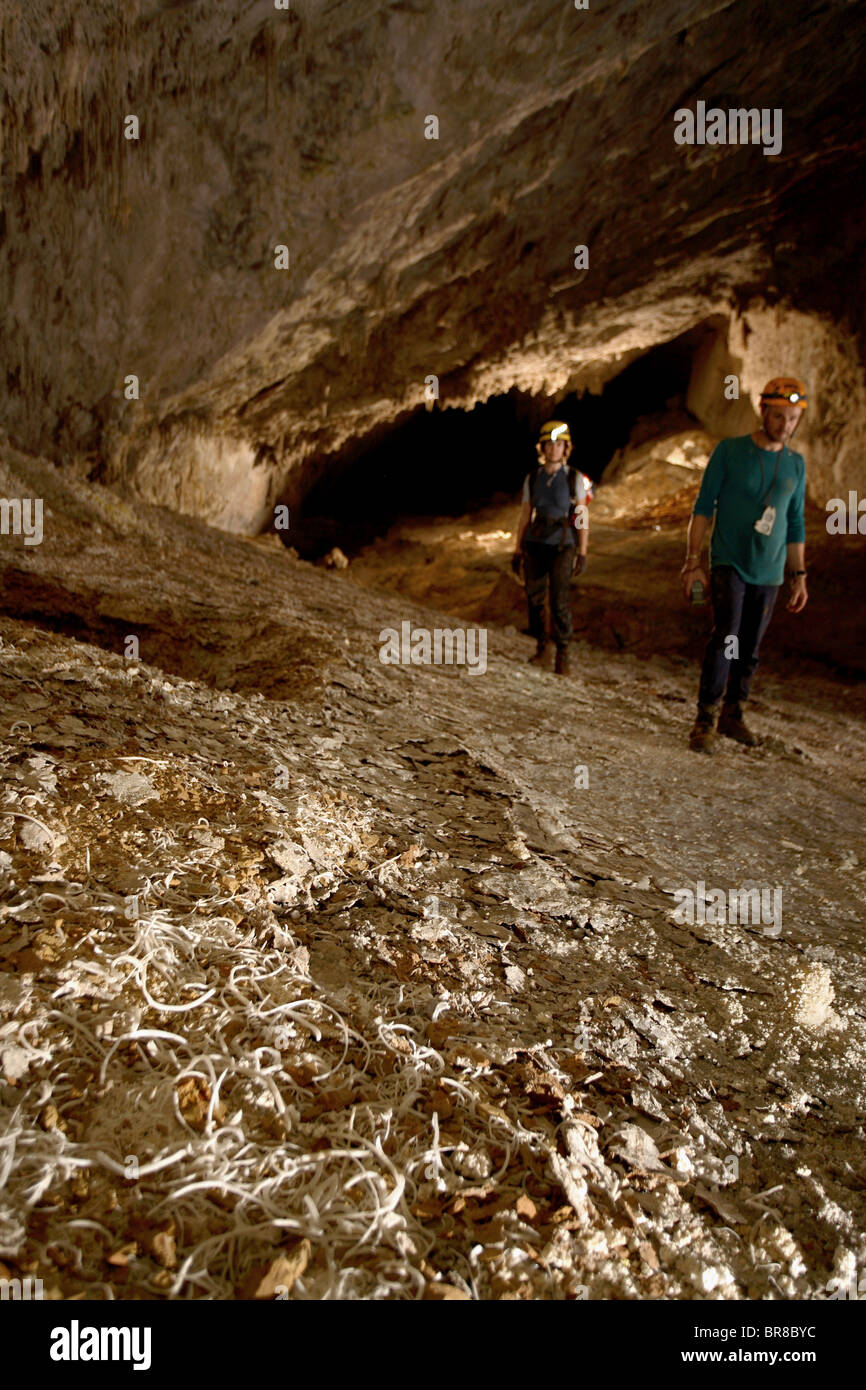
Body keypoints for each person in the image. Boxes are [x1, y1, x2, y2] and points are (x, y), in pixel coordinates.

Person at [682, 377, 809, 754]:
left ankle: (733, 714)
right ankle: (705, 718)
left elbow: (796, 522)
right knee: (727, 638)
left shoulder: (795, 465)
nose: (785, 425)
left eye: (793, 418)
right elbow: (704, 507)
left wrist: (798, 574)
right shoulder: (730, 451)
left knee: (749, 646)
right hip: (729, 561)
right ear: (762, 410)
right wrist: (693, 561)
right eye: (778, 416)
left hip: (769, 571)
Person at [512, 420, 589, 676]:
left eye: (558, 444)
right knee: (534, 598)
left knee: (559, 599)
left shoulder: (574, 478)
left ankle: (563, 653)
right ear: (542, 447)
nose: (553, 449)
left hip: (563, 544)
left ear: (565, 448)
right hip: (535, 542)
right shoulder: (532, 478)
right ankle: (542, 647)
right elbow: (525, 514)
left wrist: (583, 551)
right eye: (549, 444)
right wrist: (517, 549)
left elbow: (581, 514)